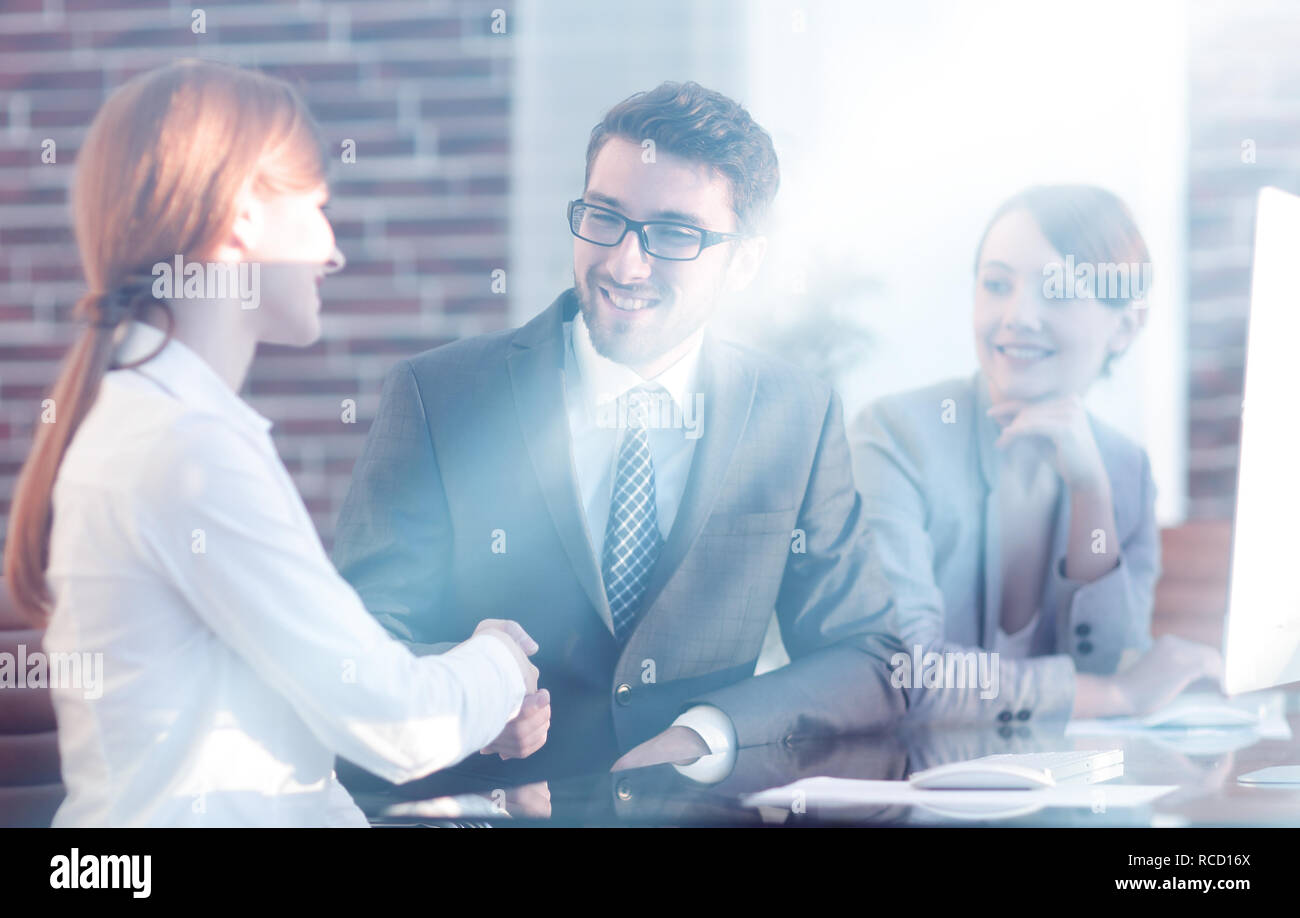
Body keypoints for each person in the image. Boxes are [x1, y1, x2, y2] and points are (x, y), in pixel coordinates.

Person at [2, 60, 537, 827]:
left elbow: (304, 718)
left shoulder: (155, 421)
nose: (333, 251)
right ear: (243, 213)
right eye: (317, 206)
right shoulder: (190, 450)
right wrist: (500, 662)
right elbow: (399, 725)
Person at [332, 80, 905, 790]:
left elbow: (869, 656)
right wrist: (468, 690)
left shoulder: (796, 415)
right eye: (605, 218)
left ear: (745, 261)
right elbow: (351, 652)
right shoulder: (439, 397)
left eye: (673, 234)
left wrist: (712, 735)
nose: (625, 263)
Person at [850, 185, 1221, 724]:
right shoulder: (895, 436)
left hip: (1061, 796)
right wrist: (1117, 698)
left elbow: (1108, 659)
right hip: (907, 789)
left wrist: (1091, 493)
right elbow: (906, 676)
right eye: (996, 285)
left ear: (1126, 325)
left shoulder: (1125, 469)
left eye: (1058, 290)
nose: (1018, 315)